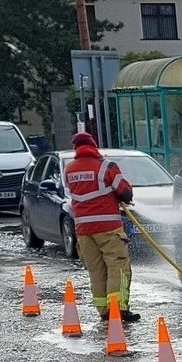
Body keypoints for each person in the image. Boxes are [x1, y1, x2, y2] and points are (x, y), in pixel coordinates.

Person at [63, 131, 139, 323]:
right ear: (93, 145)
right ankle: (118, 309)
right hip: (108, 228)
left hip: (83, 232)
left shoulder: (69, 169)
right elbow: (125, 192)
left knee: (96, 270)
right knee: (117, 267)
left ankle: (104, 311)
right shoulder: (106, 167)